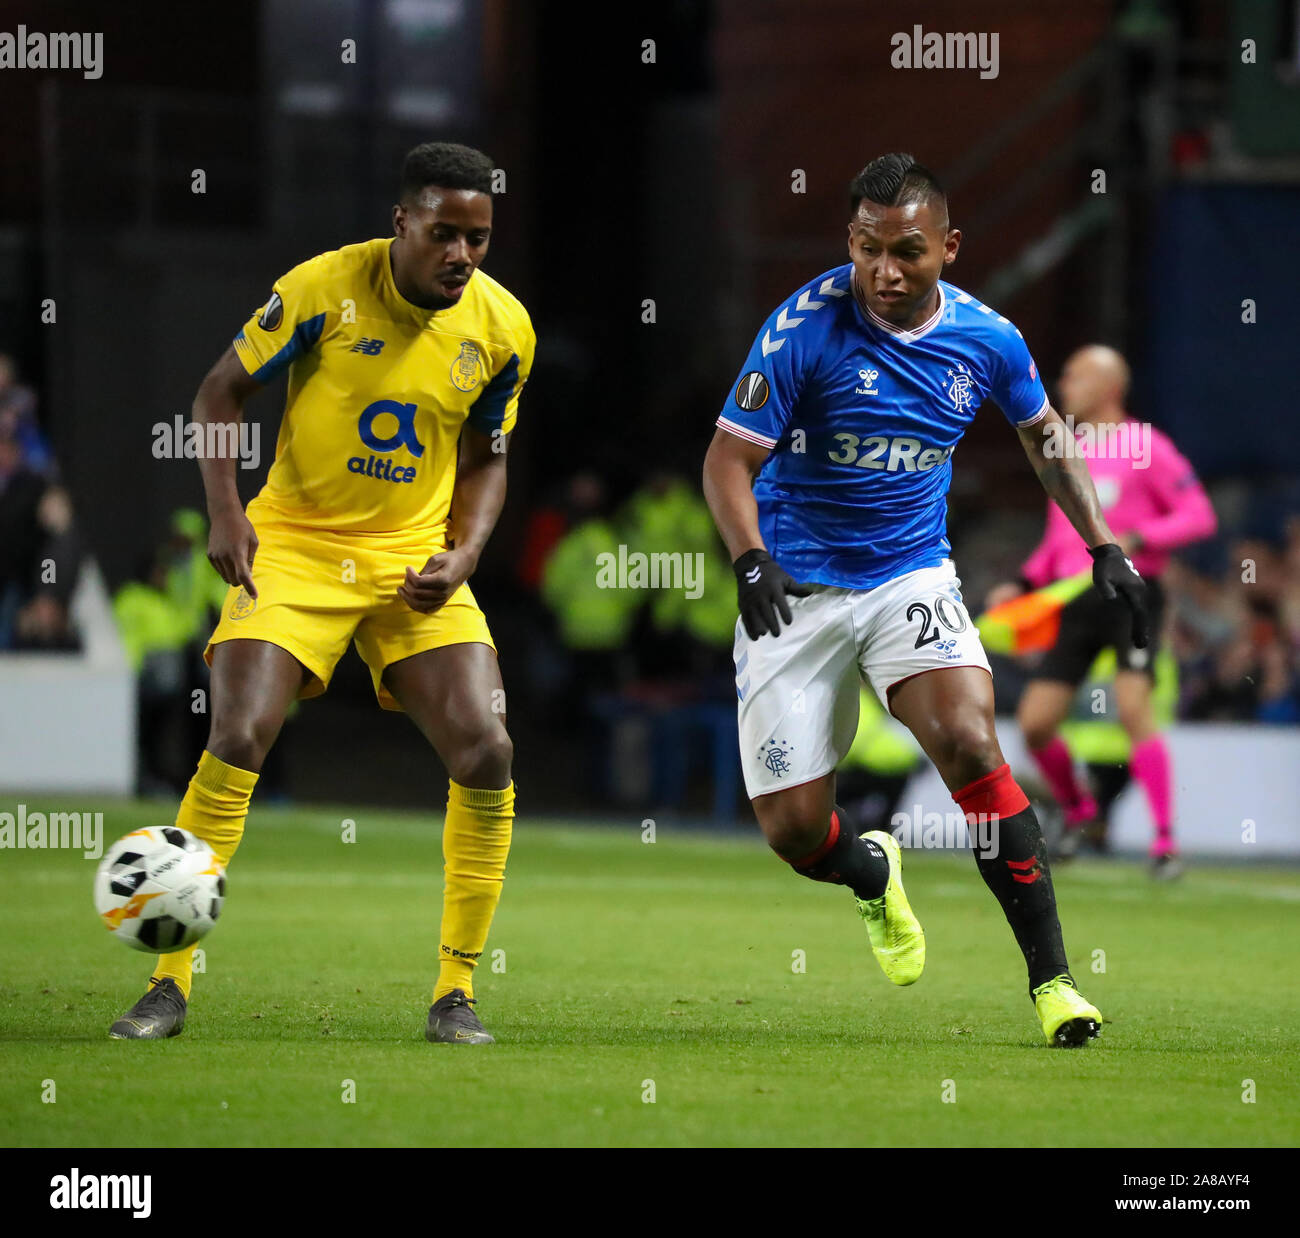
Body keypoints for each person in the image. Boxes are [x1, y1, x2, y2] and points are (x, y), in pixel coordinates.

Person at [702, 153, 1147, 1046]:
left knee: (972, 744)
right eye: (867, 249)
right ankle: (872, 875)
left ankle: (1054, 984)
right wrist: (750, 560)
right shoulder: (803, 329)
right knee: (794, 833)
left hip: (909, 573)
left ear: (948, 246)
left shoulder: (987, 340)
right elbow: (727, 461)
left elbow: (1043, 436)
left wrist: (1104, 543)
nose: (884, 272)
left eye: (906, 251)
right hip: (798, 587)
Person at [109, 142, 535, 1046]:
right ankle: (168, 981)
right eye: (445, 234)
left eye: (480, 238)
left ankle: (455, 991)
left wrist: (467, 551)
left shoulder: (504, 330)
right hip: (296, 548)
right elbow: (218, 396)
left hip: (414, 561)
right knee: (238, 734)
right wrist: (227, 513)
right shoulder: (323, 288)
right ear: (402, 224)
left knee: (487, 747)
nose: (463, 255)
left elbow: (489, 457)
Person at [988, 346, 1216, 877]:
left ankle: (1165, 844)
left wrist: (1139, 536)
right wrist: (1022, 582)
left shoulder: (1147, 445)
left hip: (1132, 593)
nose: (1063, 383)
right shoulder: (1064, 449)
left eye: (1075, 375)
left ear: (1110, 387)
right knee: (1036, 724)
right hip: (1077, 597)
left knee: (1136, 711)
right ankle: (1079, 810)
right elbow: (1057, 541)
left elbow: (1198, 514)